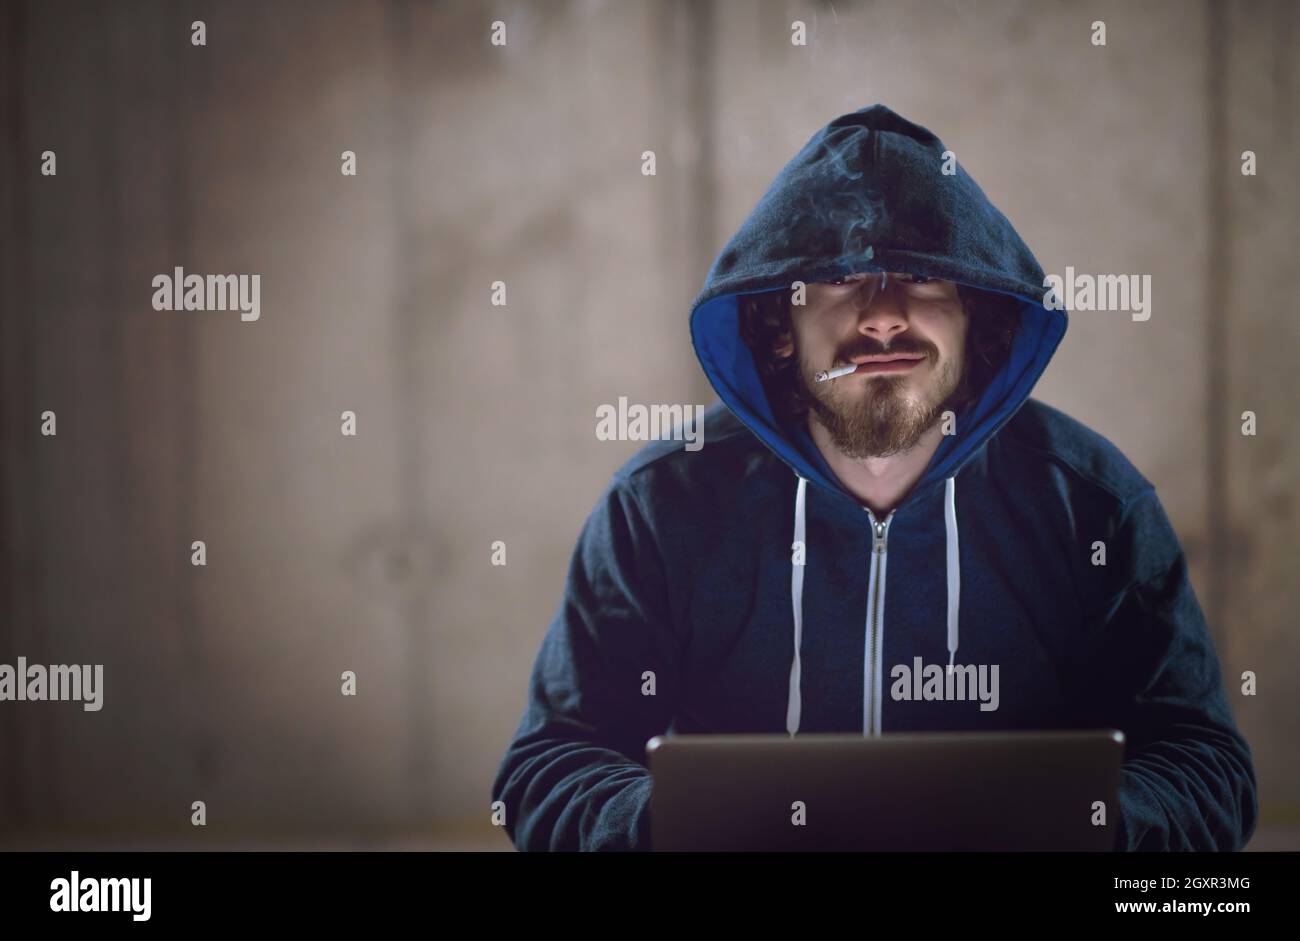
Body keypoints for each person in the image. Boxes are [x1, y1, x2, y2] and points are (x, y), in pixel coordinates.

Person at [490, 104, 1257, 851]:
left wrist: (1079, 828)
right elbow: (550, 763)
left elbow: (1204, 765)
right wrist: (684, 829)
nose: (885, 316)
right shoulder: (659, 506)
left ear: (975, 319)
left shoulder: (1094, 505)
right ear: (777, 326)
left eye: (924, 279)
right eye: (841, 278)